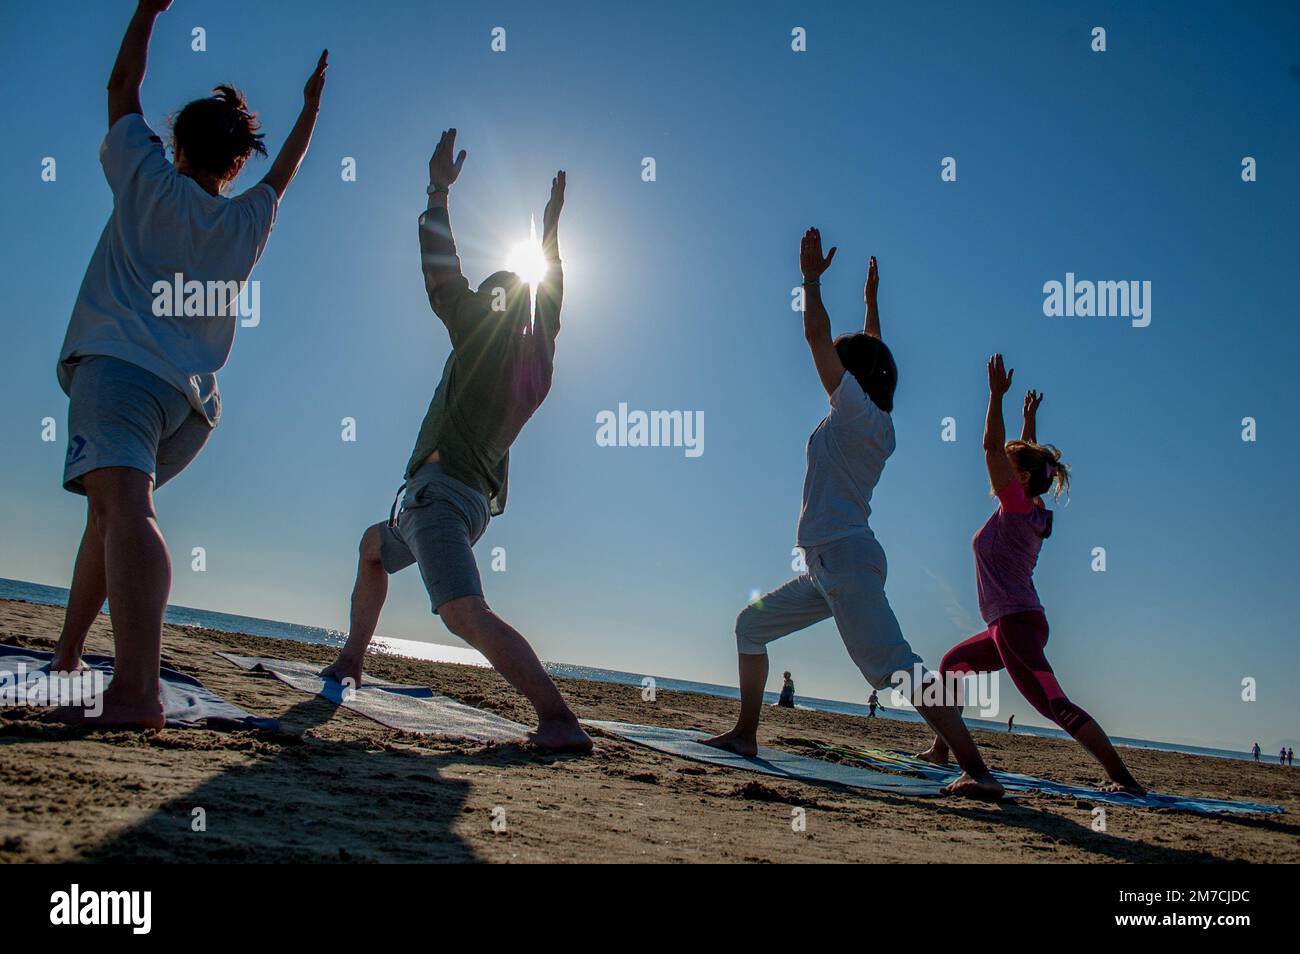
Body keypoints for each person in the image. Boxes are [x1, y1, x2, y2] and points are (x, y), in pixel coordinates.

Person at [47, 0, 328, 727]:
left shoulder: (149, 179)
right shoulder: (244, 219)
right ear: (236, 163)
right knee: (110, 514)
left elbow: (120, 90)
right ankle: (70, 657)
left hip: (120, 373)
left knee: (126, 512)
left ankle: (137, 694)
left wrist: (147, 9)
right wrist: (310, 109)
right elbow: (288, 172)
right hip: (190, 406)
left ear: (175, 145)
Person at [701, 231, 1003, 800]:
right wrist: (870, 301)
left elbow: (817, 335)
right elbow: (875, 353)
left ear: (855, 377)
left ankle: (978, 771)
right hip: (827, 566)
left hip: (845, 560)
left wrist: (811, 280)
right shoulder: (872, 418)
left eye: (842, 363)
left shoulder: (857, 414)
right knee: (751, 626)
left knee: (896, 670)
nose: (830, 365)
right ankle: (745, 734)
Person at [319, 130, 590, 753]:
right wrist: (550, 232)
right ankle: (352, 661)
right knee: (371, 550)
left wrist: (439, 190)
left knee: (463, 610)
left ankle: (557, 717)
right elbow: (552, 298)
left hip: (440, 501)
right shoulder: (537, 365)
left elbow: (442, 273)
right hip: (453, 508)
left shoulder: (478, 334)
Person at [918, 360, 1144, 795]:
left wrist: (995, 397)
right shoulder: (1031, 508)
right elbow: (1028, 460)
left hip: (1016, 624)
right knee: (951, 666)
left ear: (1020, 479)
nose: (997, 469)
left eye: (1008, 467)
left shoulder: (1019, 509)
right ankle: (942, 749)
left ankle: (1124, 779)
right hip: (1012, 623)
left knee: (1054, 704)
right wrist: (1028, 420)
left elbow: (990, 447)